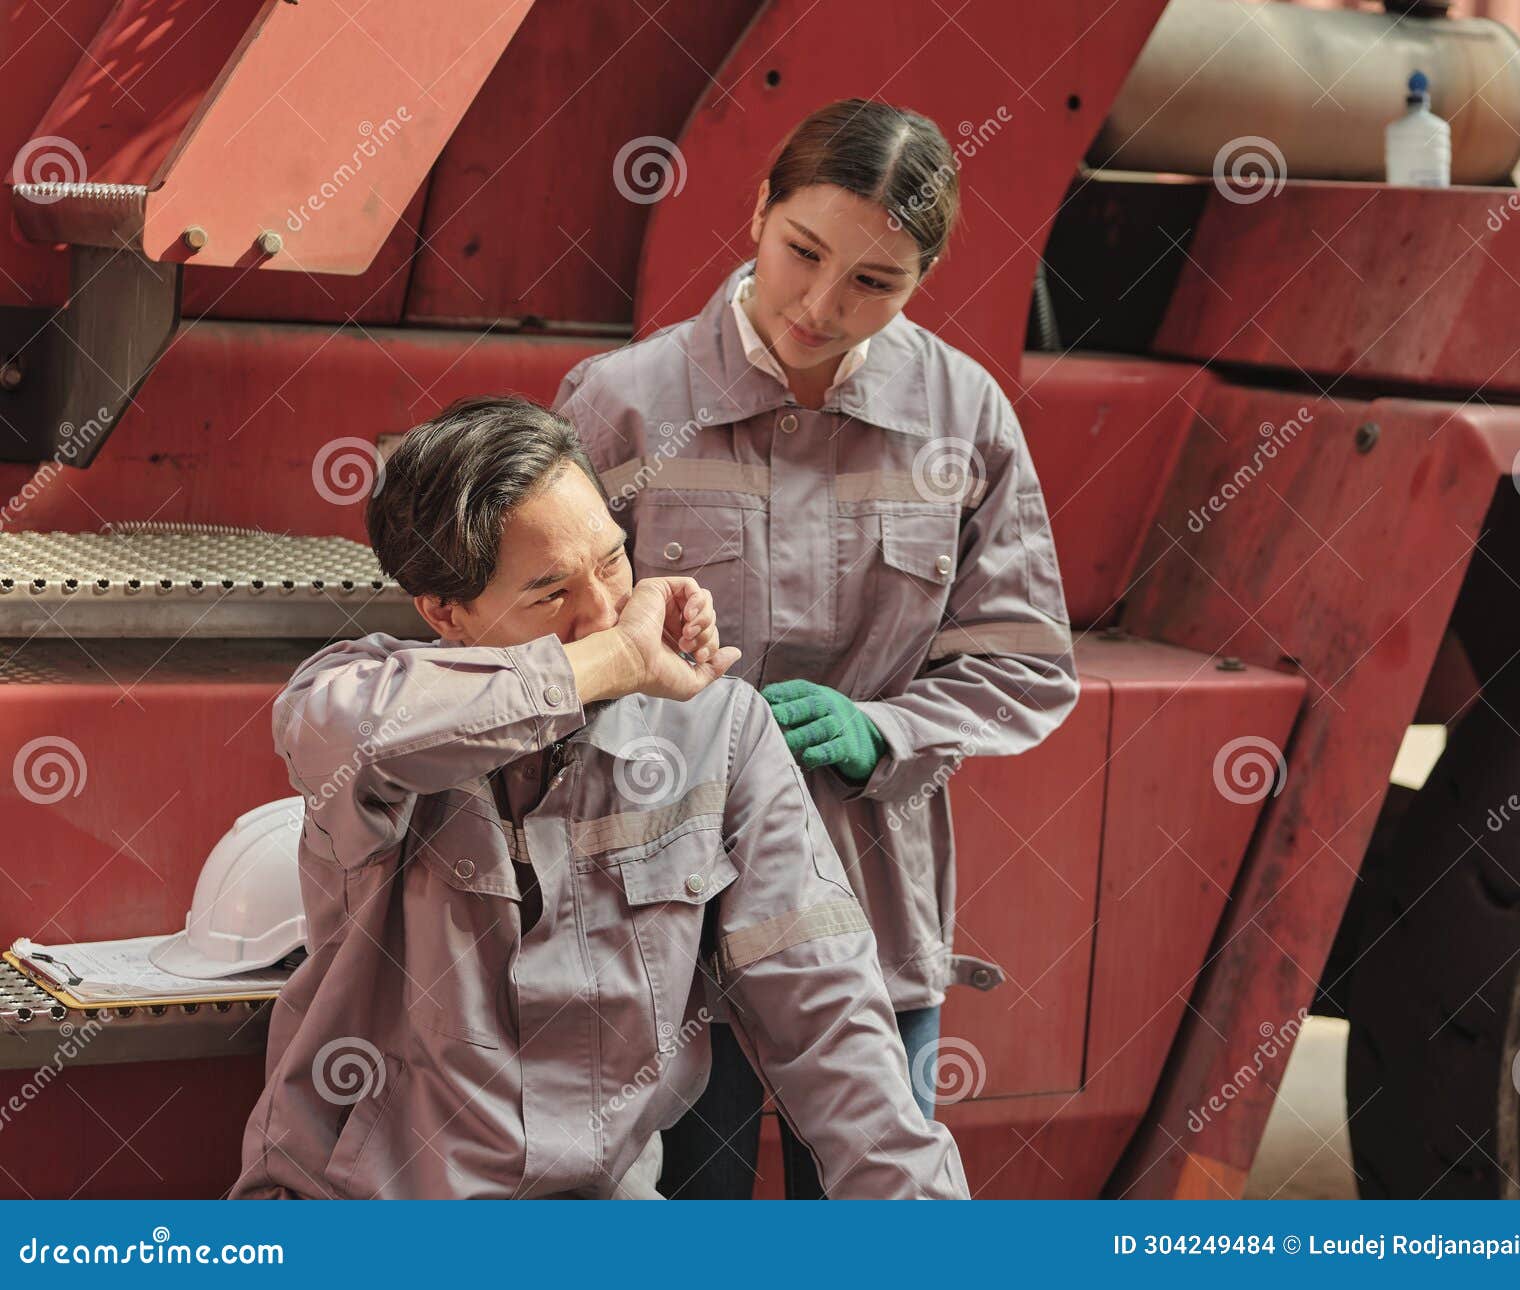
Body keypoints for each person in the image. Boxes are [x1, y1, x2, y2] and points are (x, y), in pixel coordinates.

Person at [226, 395, 968, 1200]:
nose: (607, 614)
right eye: (551, 593)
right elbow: (358, 731)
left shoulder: (716, 729)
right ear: (446, 612)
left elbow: (828, 1015)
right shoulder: (367, 707)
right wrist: (616, 660)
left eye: (612, 562)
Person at [555, 98, 1078, 1198]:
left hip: (870, 917)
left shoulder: (961, 418)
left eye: (873, 284)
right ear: (758, 212)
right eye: (802, 252)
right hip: (670, 926)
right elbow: (551, 657)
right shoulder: (623, 407)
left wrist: (883, 728)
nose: (820, 304)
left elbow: (1025, 661)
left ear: (922, 280)